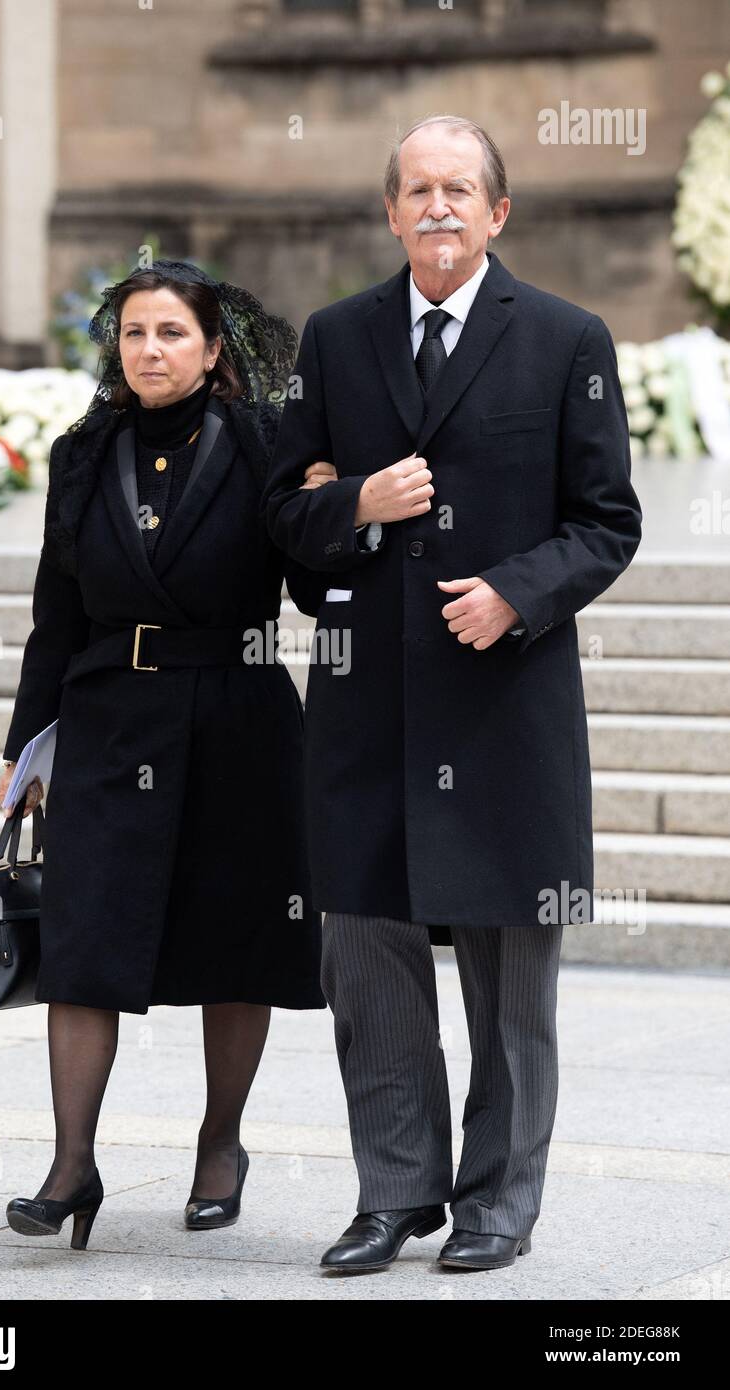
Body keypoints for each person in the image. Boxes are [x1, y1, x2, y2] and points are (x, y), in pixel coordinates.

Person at [263, 115, 642, 1274]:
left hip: (502, 708)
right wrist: (356, 504)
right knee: (365, 956)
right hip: (365, 708)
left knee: (508, 979)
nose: (436, 206)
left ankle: (495, 1204)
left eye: (457, 189)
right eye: (416, 189)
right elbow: (285, 523)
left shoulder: (567, 338)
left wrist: (515, 596)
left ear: (496, 212)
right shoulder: (330, 341)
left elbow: (605, 522)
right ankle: (393, 1193)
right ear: (389, 212)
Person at [0, 261, 329, 1250]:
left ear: (213, 347)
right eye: (135, 333)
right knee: (83, 942)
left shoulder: (266, 444)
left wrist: (332, 508)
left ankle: (219, 1144)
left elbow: (311, 589)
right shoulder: (80, 453)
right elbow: (55, 613)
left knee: (236, 944)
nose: (151, 350)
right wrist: (28, 744)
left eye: (173, 333)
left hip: (238, 716)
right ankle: (70, 1164)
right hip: (107, 719)